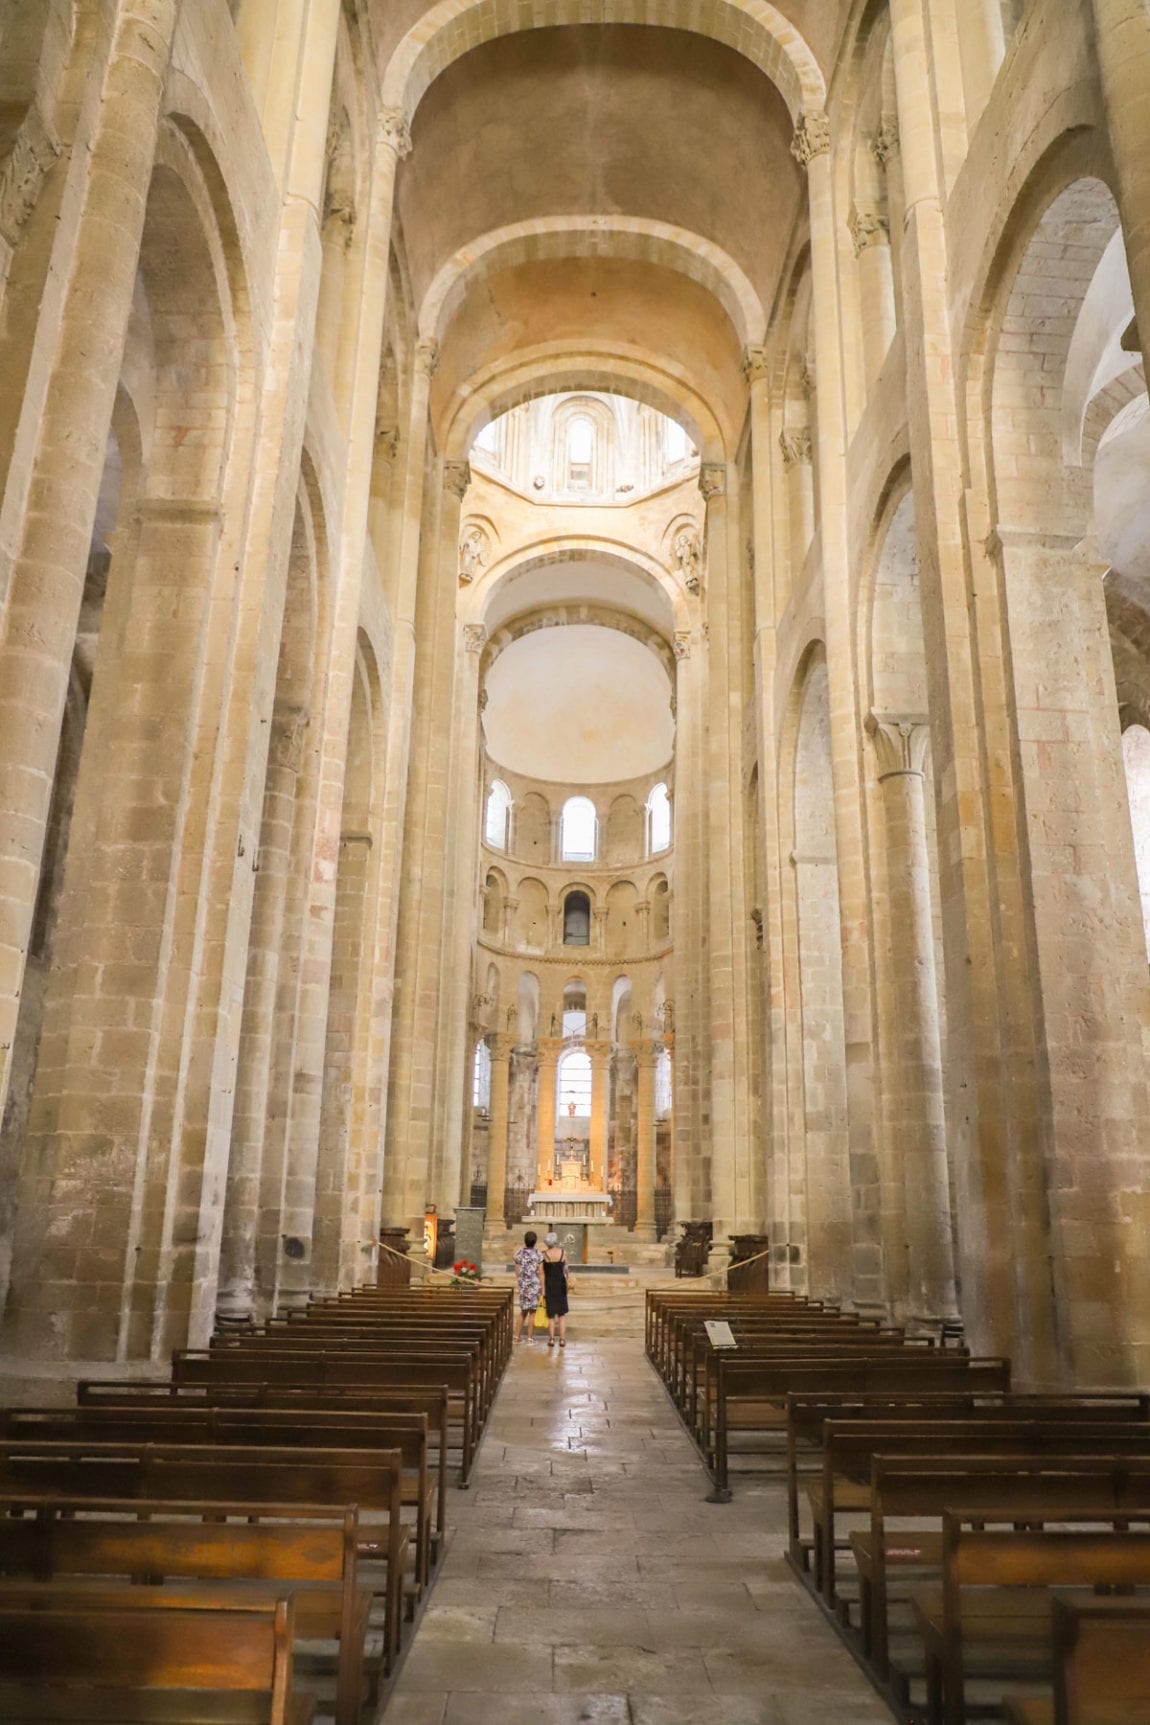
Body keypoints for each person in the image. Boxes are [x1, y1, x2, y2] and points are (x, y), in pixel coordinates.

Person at [513, 1229, 543, 1342]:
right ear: (535, 1241)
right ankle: (530, 1338)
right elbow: (540, 1272)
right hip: (534, 1285)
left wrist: (519, 1280)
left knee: (523, 1311)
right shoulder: (538, 1254)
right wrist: (542, 1287)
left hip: (523, 1285)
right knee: (532, 1312)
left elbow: (516, 1270)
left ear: (525, 1241)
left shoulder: (519, 1253)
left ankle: (517, 1336)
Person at [541, 1231, 569, 1347]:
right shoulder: (563, 1253)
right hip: (561, 1285)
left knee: (551, 1315)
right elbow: (566, 1269)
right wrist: (569, 1278)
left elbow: (542, 1273)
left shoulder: (544, 1255)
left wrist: (543, 1289)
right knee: (561, 1314)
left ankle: (551, 1339)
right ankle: (562, 1339)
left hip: (549, 1285)